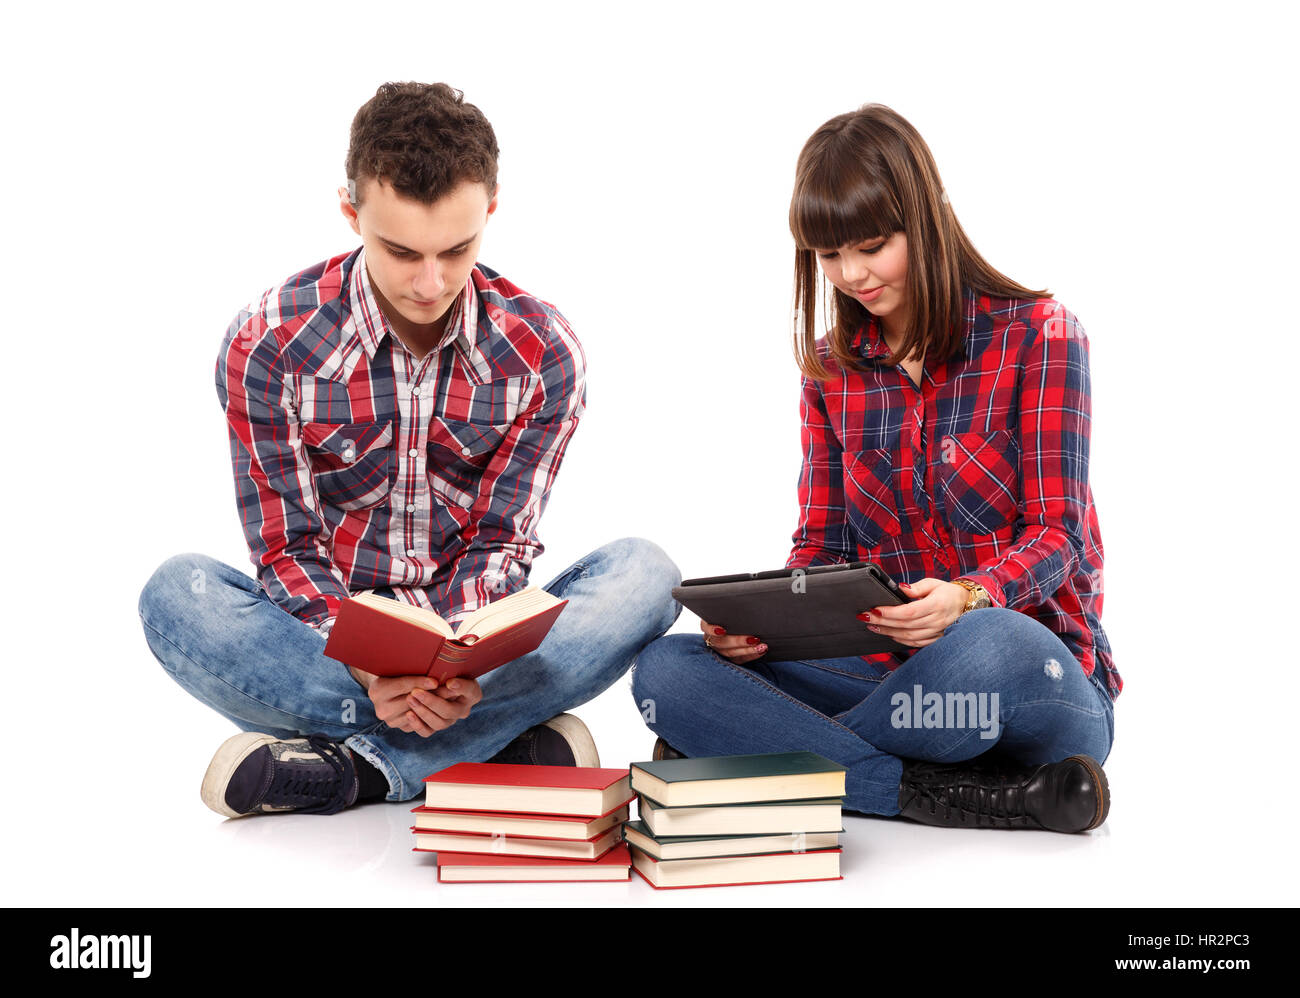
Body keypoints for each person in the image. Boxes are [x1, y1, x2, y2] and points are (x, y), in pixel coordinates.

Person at [138, 82, 680, 818]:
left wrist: (457, 668)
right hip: (325, 646)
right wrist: (368, 667)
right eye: (401, 251)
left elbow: (502, 541)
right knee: (177, 596)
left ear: (491, 210)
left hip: (476, 652)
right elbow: (288, 550)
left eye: (457, 249)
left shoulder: (543, 352)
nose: (431, 283)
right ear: (350, 211)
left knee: (646, 576)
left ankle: (353, 771)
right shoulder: (267, 343)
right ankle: (499, 746)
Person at [632, 103, 1119, 833]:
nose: (852, 274)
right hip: (884, 678)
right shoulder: (829, 370)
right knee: (666, 673)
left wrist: (967, 598)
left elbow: (1061, 538)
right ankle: (930, 789)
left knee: (986, 652)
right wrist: (766, 628)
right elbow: (821, 548)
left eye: (871, 245)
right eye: (830, 256)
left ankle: (760, 757)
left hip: (1028, 679)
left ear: (925, 217)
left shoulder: (1042, 335)